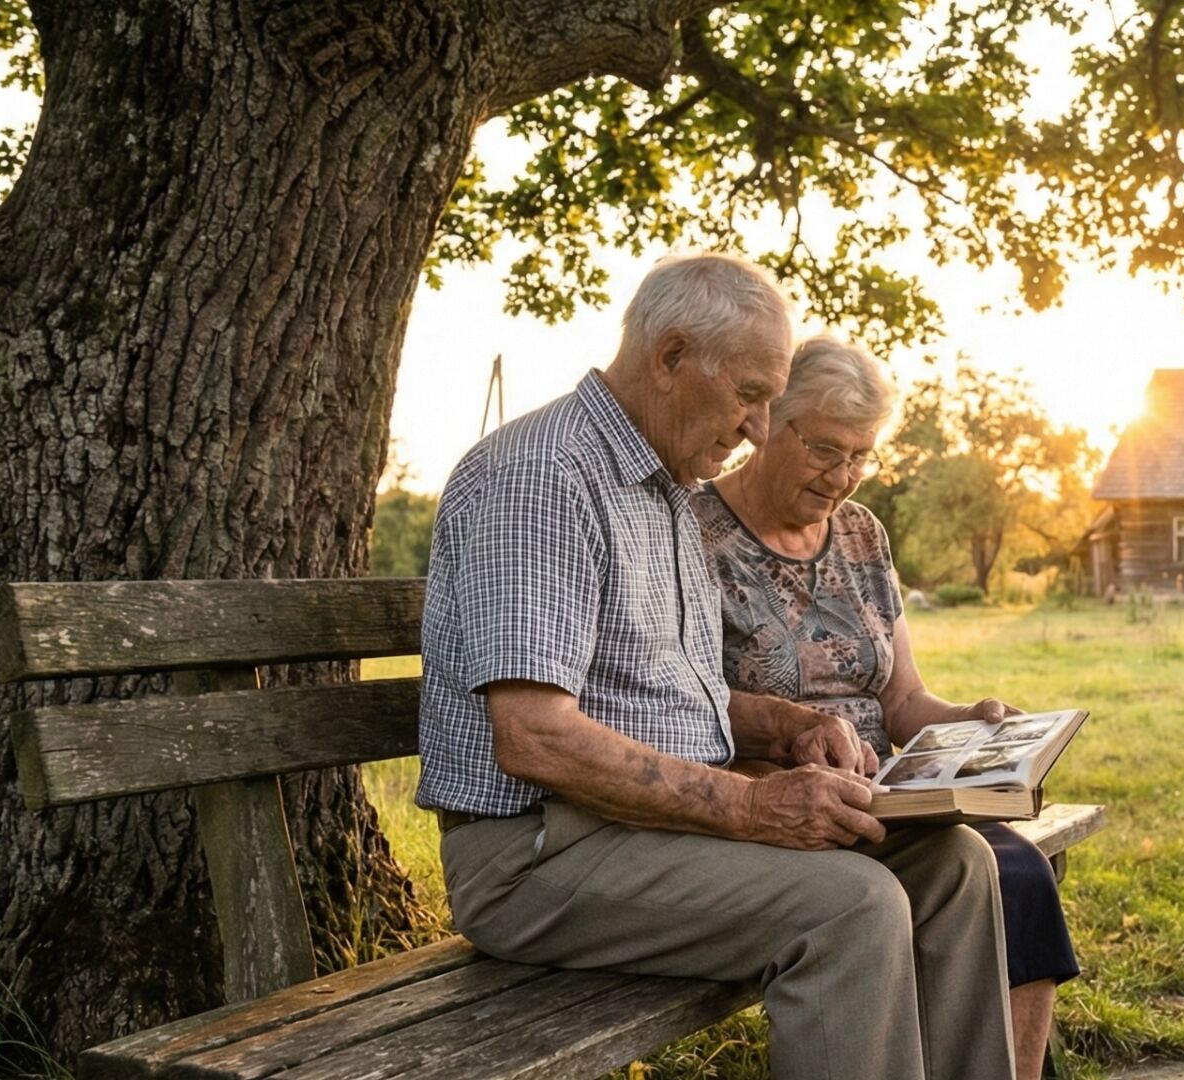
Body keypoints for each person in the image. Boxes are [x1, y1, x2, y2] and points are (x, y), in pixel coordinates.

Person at [415, 253, 1017, 1080]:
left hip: (643, 832)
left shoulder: (659, 488)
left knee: (952, 866)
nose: (759, 431)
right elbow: (535, 740)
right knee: (854, 905)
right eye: (750, 396)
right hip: (539, 857)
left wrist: (792, 723)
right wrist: (751, 805)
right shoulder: (543, 479)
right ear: (669, 359)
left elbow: (672, 694)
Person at [692, 334, 1081, 1080]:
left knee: (1020, 873)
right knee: (977, 877)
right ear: (772, 420)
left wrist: (978, 725)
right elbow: (688, 702)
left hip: (892, 792)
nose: (843, 476)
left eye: (861, 455)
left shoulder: (863, 532)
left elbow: (902, 698)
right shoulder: (695, 531)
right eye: (826, 451)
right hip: (780, 801)